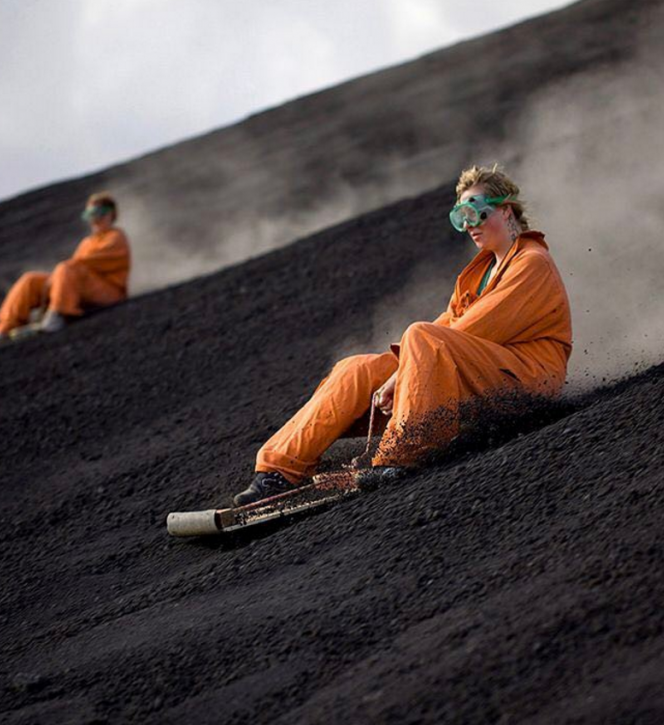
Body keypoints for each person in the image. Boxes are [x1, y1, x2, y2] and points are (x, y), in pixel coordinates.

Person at [233, 165, 572, 506]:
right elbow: (450, 324)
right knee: (357, 369)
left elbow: (476, 327)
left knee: (421, 337)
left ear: (505, 208)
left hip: (528, 381)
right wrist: (398, 371)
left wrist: (401, 376)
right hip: (478, 372)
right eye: (460, 216)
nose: (469, 224)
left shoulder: (532, 262)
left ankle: (399, 457)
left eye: (475, 211)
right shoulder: (478, 274)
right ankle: (279, 471)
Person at [0, 192, 131, 341]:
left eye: (100, 213)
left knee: (66, 268)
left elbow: (85, 264)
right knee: (30, 280)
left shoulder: (116, 238)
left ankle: (56, 316)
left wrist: (62, 275)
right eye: (90, 214)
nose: (95, 219)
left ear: (112, 214)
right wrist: (59, 278)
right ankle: (5, 328)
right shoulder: (87, 242)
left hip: (109, 293)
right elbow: (76, 268)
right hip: (80, 290)